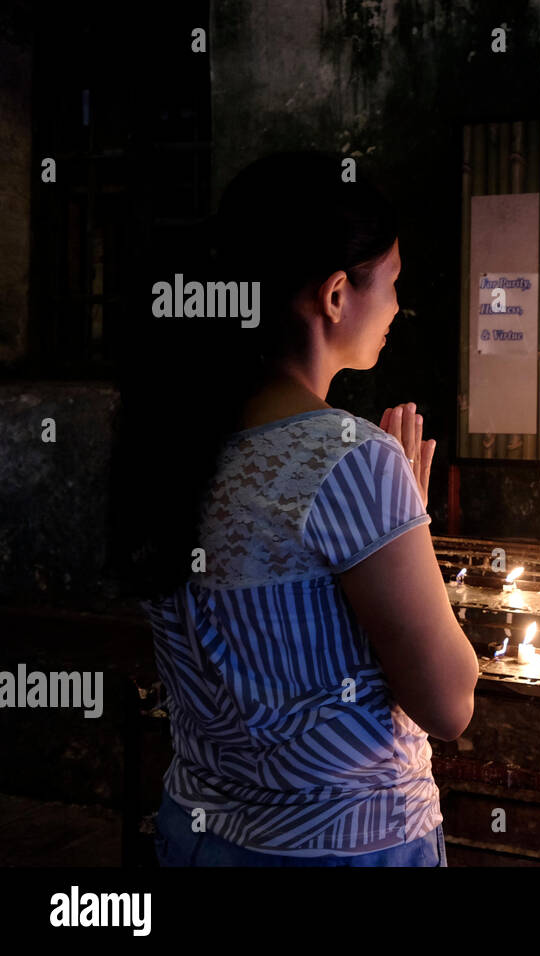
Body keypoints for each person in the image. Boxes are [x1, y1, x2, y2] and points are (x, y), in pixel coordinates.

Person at [113, 151, 479, 866]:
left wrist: (392, 519)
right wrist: (408, 520)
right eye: (393, 283)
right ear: (336, 294)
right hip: (343, 847)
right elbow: (448, 703)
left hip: (199, 837)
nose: (399, 308)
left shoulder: (168, 440)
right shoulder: (353, 460)